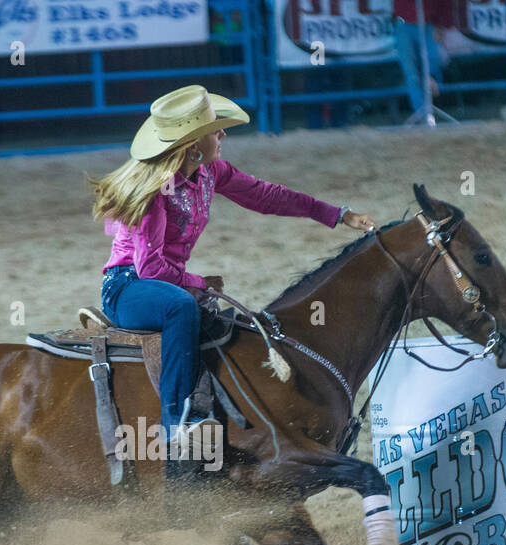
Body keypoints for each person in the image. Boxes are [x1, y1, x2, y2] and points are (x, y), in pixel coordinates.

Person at [87, 85, 375, 489]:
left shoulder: (209, 174)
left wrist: (336, 214)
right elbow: (150, 269)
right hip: (128, 289)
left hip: (164, 282)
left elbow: (266, 196)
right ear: (192, 145)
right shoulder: (155, 192)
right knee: (179, 309)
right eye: (214, 130)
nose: (222, 135)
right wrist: (200, 283)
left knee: (214, 324)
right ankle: (177, 425)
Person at [393, 0, 453, 116]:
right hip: (404, 24)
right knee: (411, 74)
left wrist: (440, 25)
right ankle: (422, 113)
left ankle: (432, 89)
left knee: (433, 64)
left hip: (428, 23)